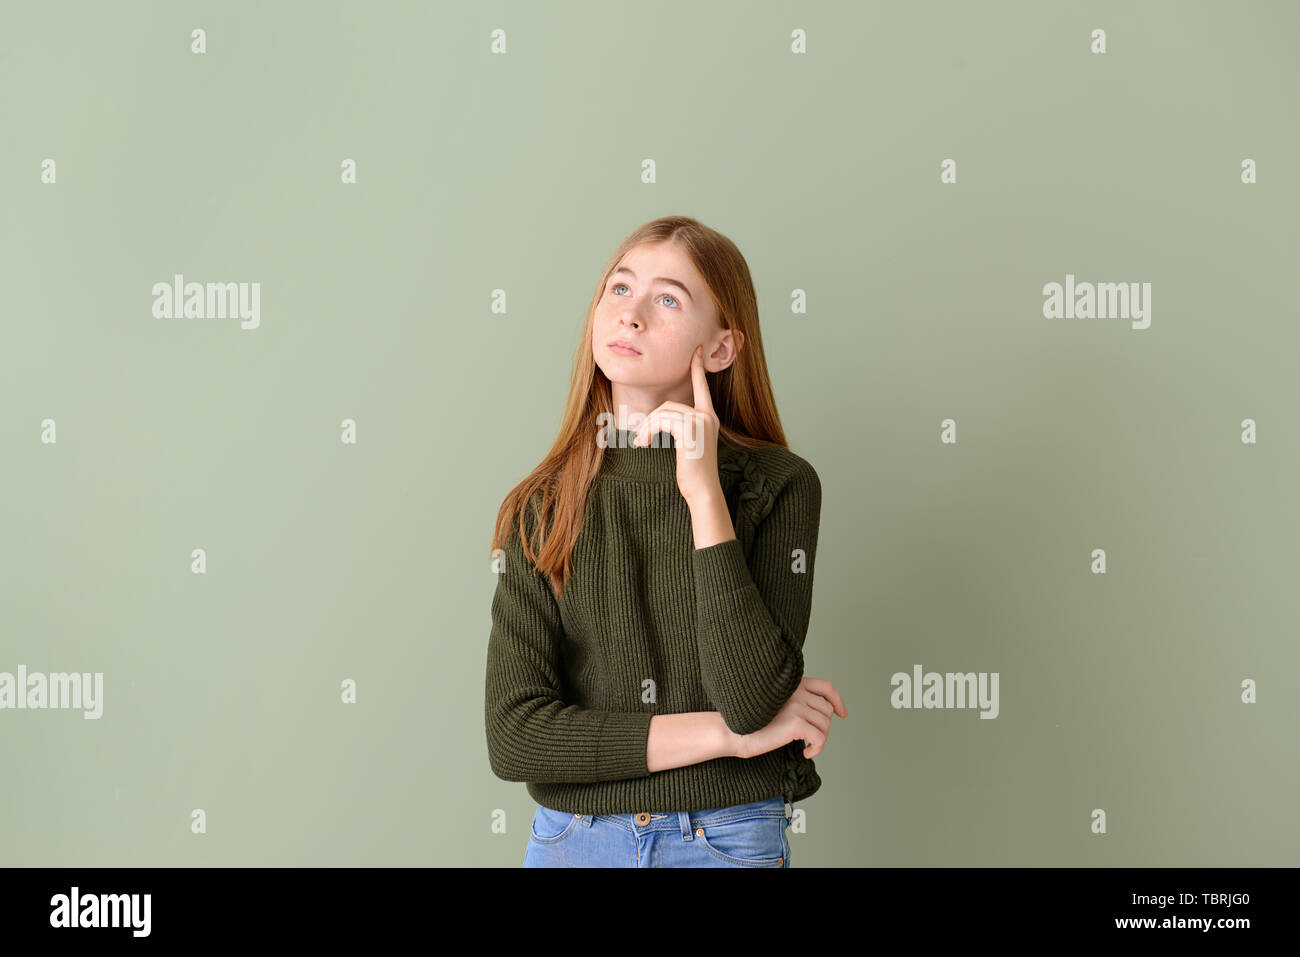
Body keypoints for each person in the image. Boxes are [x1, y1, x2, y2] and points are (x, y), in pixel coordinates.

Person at [485, 215, 847, 867]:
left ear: (721, 348)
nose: (631, 314)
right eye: (619, 289)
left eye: (668, 298)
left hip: (725, 838)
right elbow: (516, 737)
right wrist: (728, 739)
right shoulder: (539, 507)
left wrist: (704, 492)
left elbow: (751, 695)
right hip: (574, 841)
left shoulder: (777, 486)